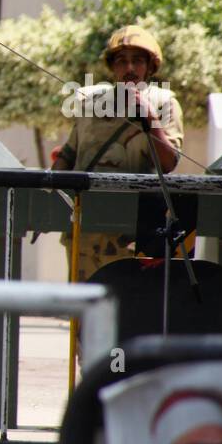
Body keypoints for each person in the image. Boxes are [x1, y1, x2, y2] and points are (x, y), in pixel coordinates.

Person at [52, 25, 185, 280]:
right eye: (122, 61)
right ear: (112, 67)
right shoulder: (89, 101)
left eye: (137, 60)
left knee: (132, 311)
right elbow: (69, 155)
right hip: (85, 227)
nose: (130, 68)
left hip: (134, 232)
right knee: (84, 311)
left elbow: (169, 162)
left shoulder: (164, 102)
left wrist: (149, 117)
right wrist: (50, 192)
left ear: (150, 66)